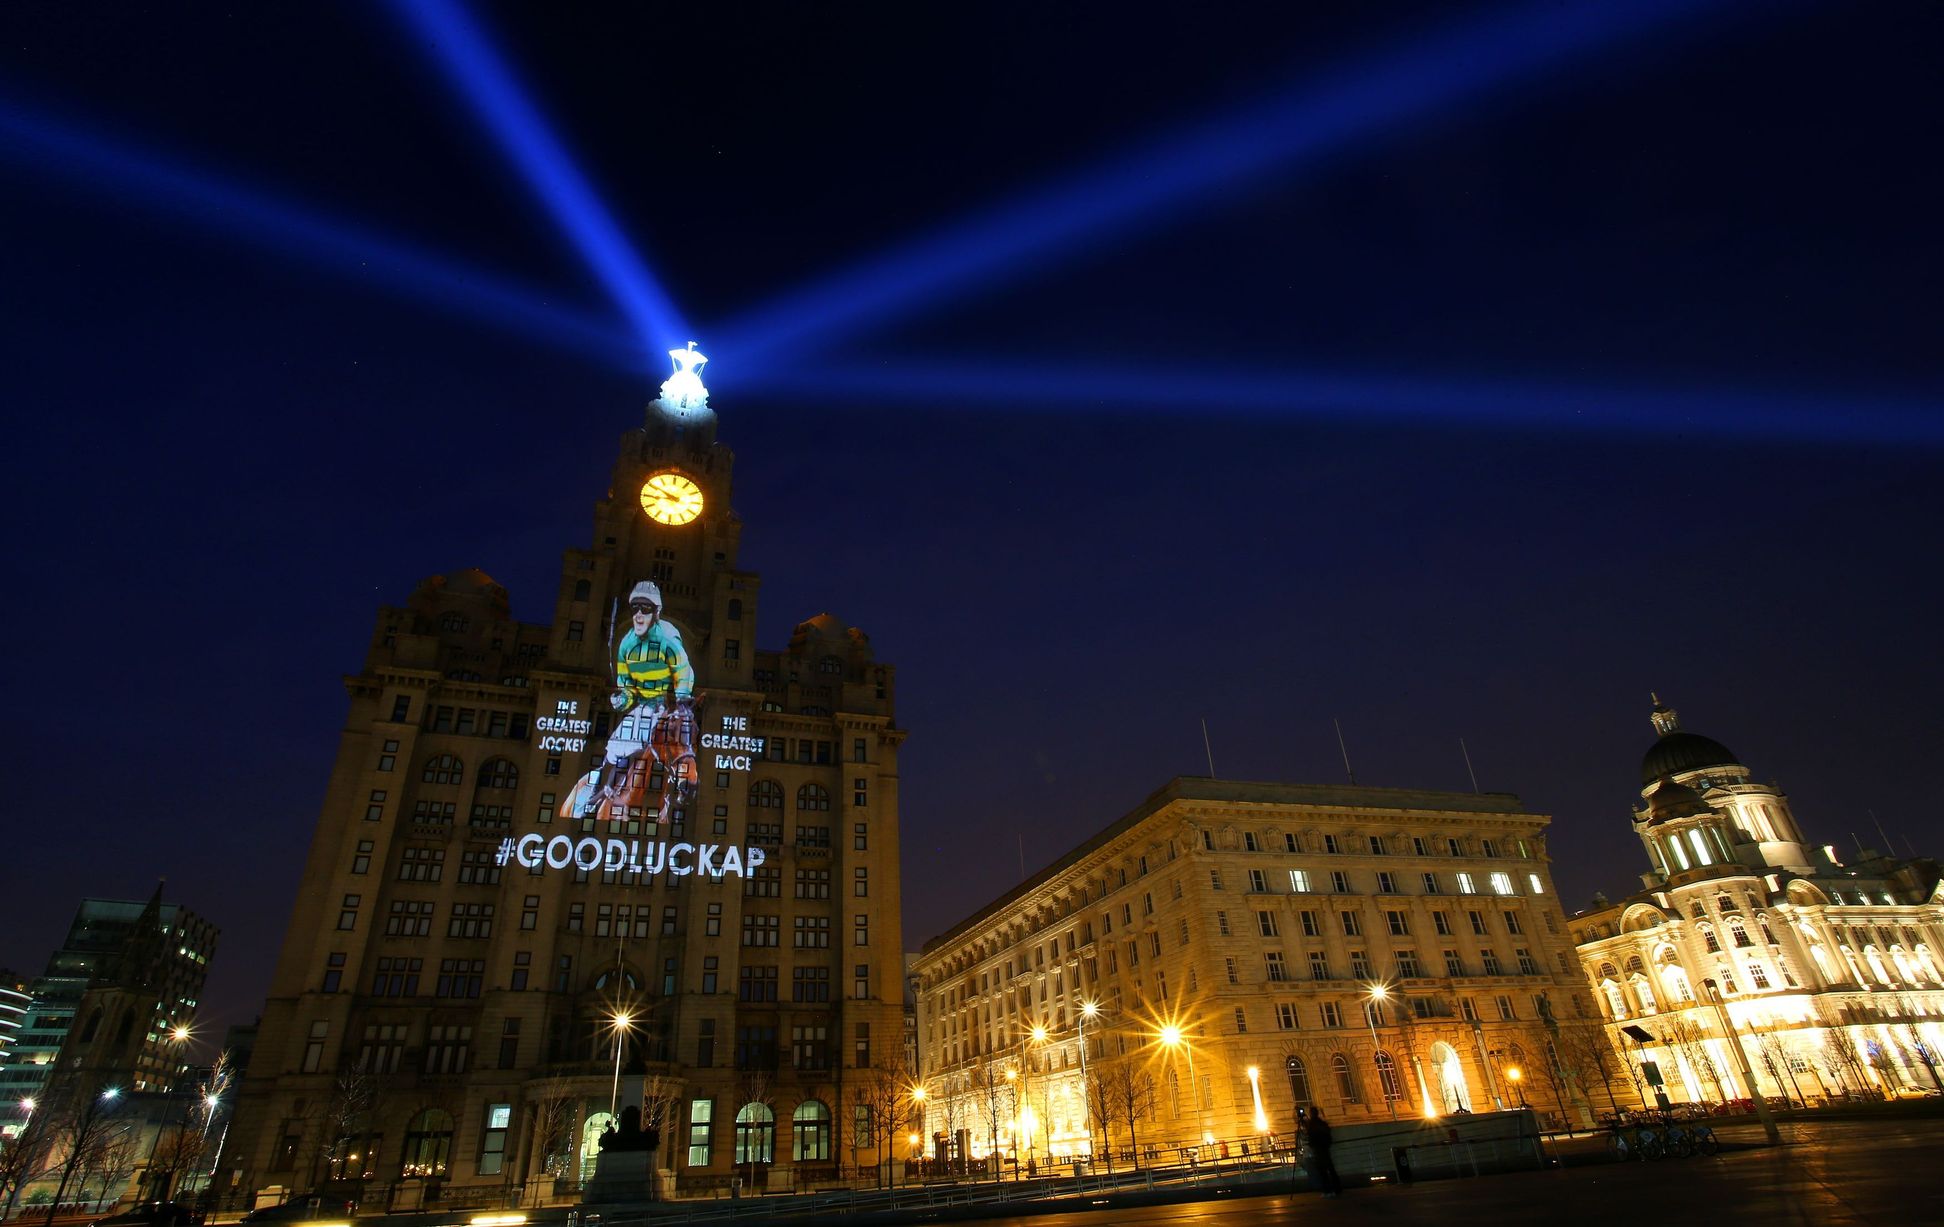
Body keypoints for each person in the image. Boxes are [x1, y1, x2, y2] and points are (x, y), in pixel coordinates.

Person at [574, 581, 697, 823]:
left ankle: (680, 788)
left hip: (667, 707)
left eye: (646, 608)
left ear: (656, 611)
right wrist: (622, 698)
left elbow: (684, 669)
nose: (640, 615)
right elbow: (627, 686)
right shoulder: (626, 645)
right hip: (644, 708)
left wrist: (682, 699)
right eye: (636, 608)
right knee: (615, 747)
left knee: (676, 746)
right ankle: (597, 792)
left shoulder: (669, 636)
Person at [1304, 1107, 1341, 1197]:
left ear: (1311, 1113)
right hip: (1325, 1148)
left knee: (1322, 1171)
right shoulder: (1322, 1123)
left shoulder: (1312, 1124)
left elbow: (1310, 1136)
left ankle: (1327, 1190)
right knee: (1330, 1169)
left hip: (1318, 1149)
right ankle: (1337, 1189)